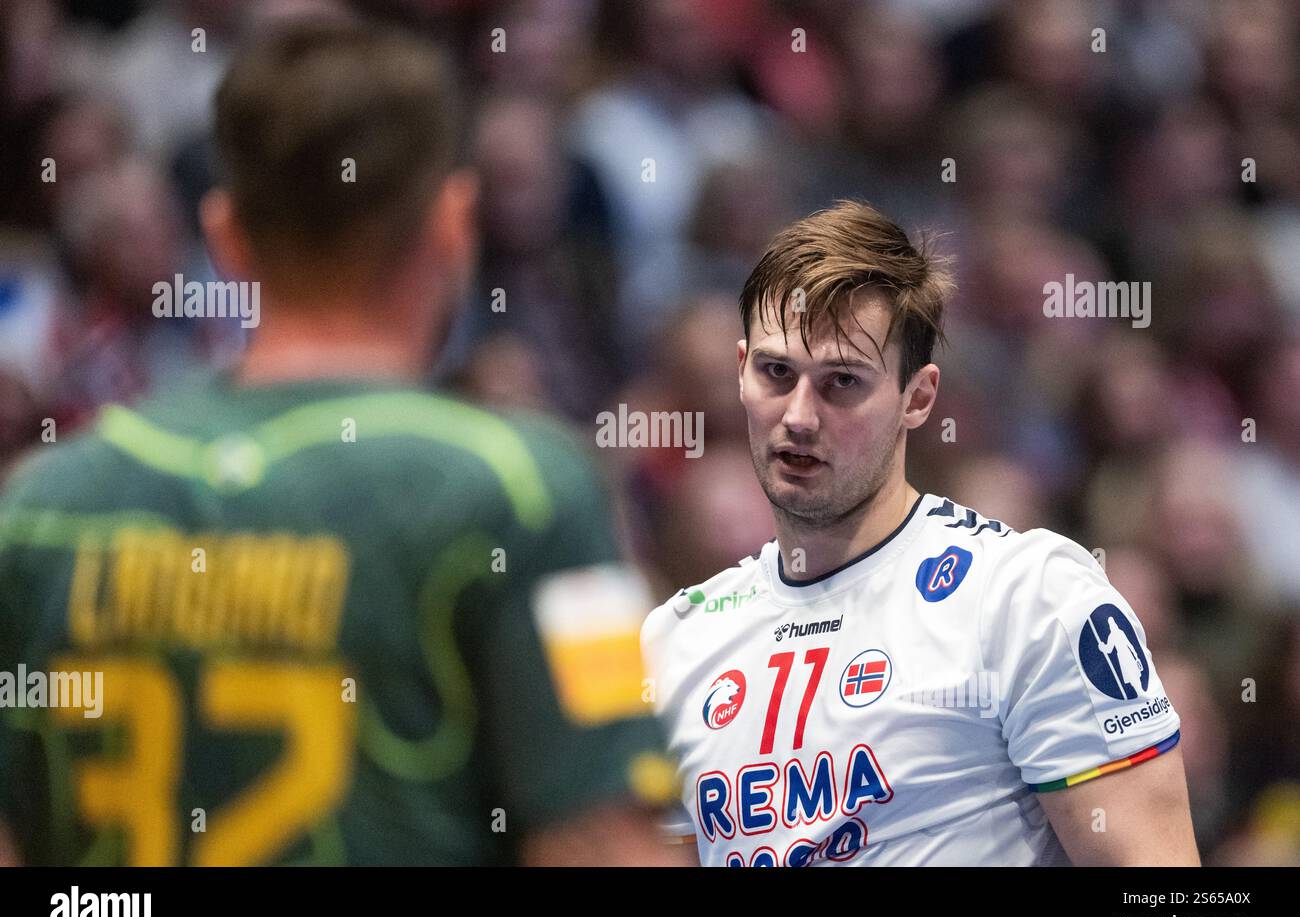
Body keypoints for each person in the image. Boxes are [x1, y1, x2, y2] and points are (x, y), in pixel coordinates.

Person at [0, 18, 685, 867]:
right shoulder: (524, 488)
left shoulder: (39, 509)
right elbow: (608, 846)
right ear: (453, 225)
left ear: (223, 237)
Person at [641, 200, 1198, 866]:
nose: (798, 416)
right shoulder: (674, 640)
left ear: (918, 396)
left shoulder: (1026, 597)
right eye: (776, 372)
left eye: (841, 381)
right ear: (740, 369)